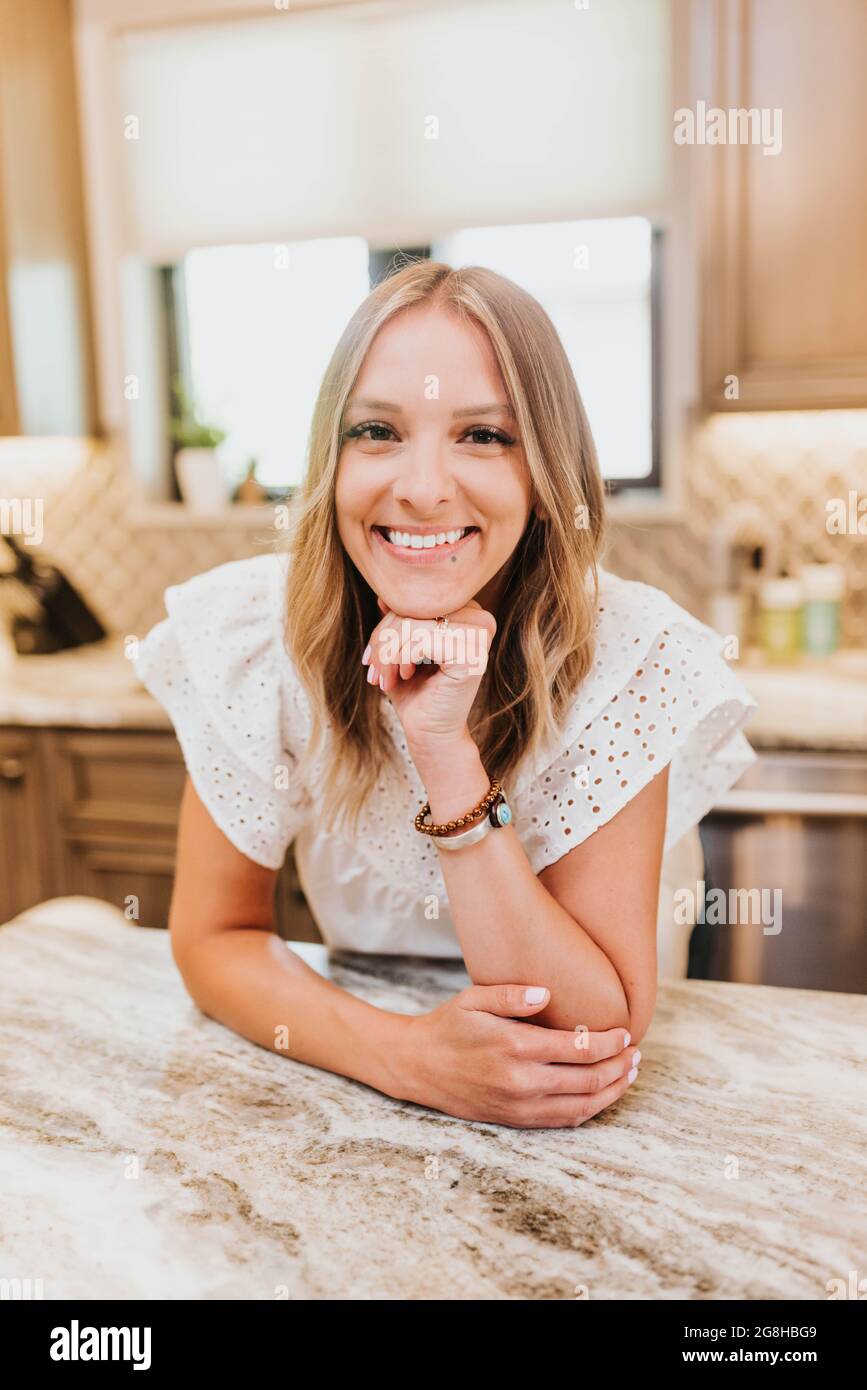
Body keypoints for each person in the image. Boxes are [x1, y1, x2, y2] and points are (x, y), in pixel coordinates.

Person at [136, 260, 755, 1128]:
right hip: (366, 1066)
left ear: (546, 476)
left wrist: (444, 752)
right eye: (377, 431)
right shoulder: (256, 637)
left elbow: (583, 1031)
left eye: (483, 436)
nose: (422, 488)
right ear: (330, 461)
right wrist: (401, 1056)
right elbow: (212, 939)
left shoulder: (627, 657)